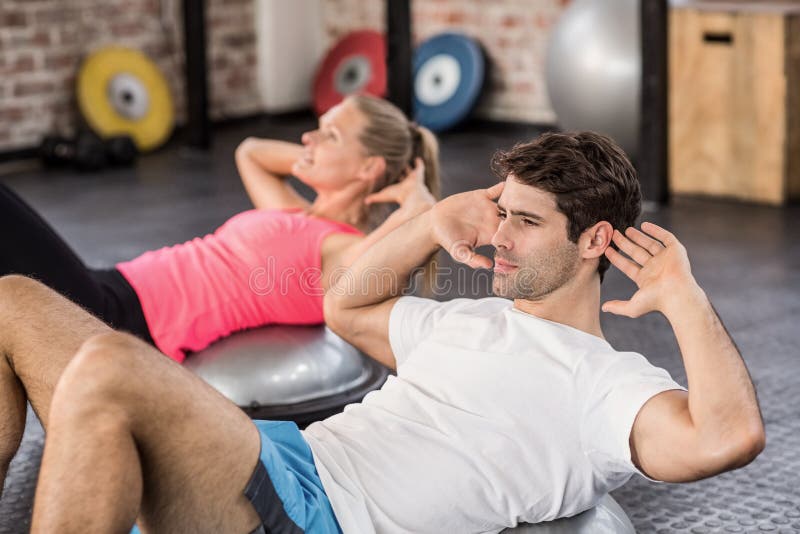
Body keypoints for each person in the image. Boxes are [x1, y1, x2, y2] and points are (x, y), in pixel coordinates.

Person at [0, 132, 763, 533]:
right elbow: (347, 307)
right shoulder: (470, 322)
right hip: (276, 465)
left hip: (321, 516)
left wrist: (682, 295)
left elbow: (723, 438)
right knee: (10, 299)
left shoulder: (605, 384)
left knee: (106, 366)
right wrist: (432, 221)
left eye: (526, 224)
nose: (501, 238)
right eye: (503, 214)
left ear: (596, 242)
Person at [0, 95, 439, 362]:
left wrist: (415, 198)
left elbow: (410, 237)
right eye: (317, 130)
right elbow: (251, 152)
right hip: (114, 283)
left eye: (330, 137)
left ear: (369, 167)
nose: (308, 139)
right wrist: (322, 161)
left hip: (121, 321)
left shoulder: (344, 251)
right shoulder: (295, 213)